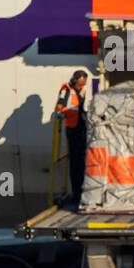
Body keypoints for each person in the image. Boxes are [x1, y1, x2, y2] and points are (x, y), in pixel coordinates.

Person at [55, 69, 90, 204]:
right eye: (84, 80)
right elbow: (60, 107)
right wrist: (64, 113)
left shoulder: (81, 91)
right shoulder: (66, 89)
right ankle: (76, 193)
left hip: (81, 128)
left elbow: (80, 109)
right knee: (75, 162)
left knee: (81, 161)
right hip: (72, 128)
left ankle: (81, 190)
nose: (85, 83)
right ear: (78, 79)